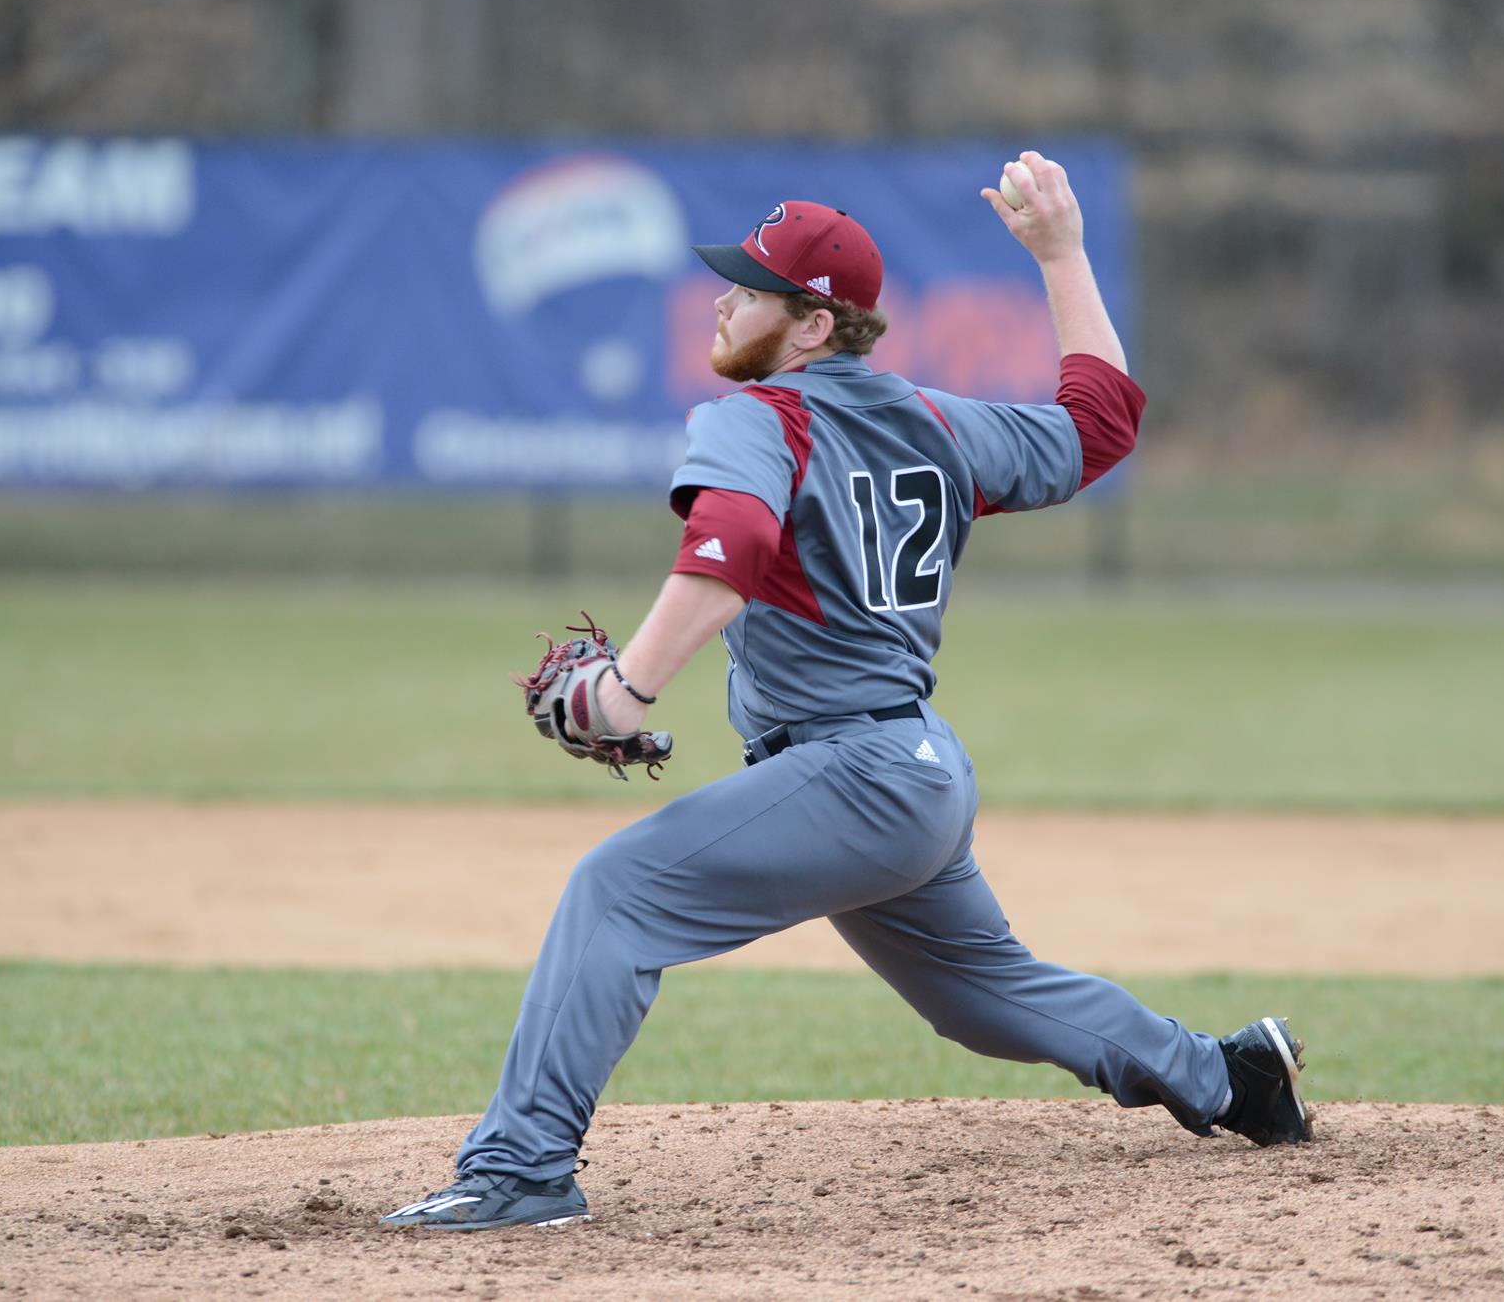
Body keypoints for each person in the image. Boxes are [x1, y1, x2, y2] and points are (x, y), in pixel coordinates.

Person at [382, 151, 1311, 1233]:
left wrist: (628, 687)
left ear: (813, 324)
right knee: (983, 995)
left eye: (750, 288)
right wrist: (1061, 256)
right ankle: (1230, 1076)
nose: (722, 300)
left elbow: (726, 547)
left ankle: (520, 1168)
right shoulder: (939, 422)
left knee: (615, 894)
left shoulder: (759, 416)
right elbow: (1097, 426)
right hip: (913, 772)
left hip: (852, 776)